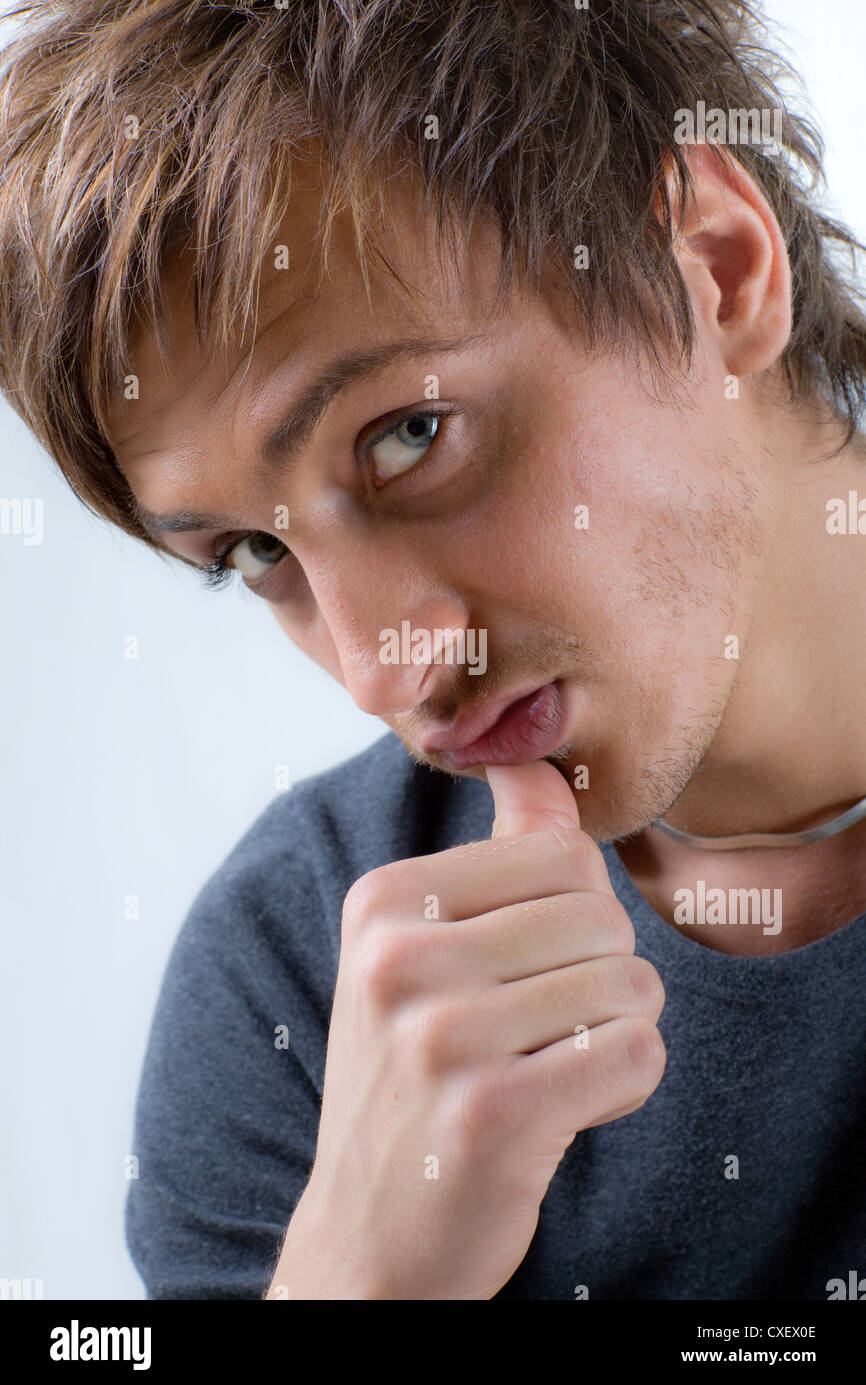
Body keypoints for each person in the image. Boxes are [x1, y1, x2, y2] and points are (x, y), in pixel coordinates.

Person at [2, 0, 866, 1301]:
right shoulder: (296, 985)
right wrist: (363, 1275)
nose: (380, 668)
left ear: (714, 264)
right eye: (255, 553)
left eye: (409, 434)